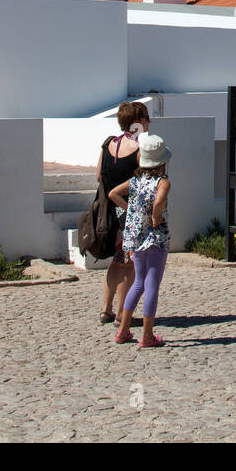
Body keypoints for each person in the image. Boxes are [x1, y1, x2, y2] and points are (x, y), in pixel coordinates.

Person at [110, 132, 172, 348]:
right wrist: (155, 215)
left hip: (136, 236)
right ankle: (147, 334)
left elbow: (113, 194)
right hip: (155, 237)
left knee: (138, 282)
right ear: (162, 161)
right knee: (152, 283)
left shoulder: (135, 181)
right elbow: (160, 200)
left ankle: (123, 330)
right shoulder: (162, 182)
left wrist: (132, 211)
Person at [95, 100, 149, 324]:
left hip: (108, 212)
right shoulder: (138, 149)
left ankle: (105, 310)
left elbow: (99, 176)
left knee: (115, 264)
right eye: (146, 118)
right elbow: (143, 182)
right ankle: (121, 314)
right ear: (138, 122)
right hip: (128, 213)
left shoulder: (108, 144)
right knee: (129, 265)